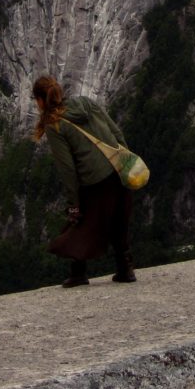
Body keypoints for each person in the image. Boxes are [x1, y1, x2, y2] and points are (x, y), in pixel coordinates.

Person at [32, 74, 136, 288]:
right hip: (118, 169)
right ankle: (125, 269)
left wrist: (74, 203)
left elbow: (67, 168)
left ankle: (78, 273)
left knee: (80, 224)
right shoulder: (86, 103)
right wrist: (125, 162)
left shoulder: (54, 125)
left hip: (95, 180)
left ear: (41, 100)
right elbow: (115, 131)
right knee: (118, 220)